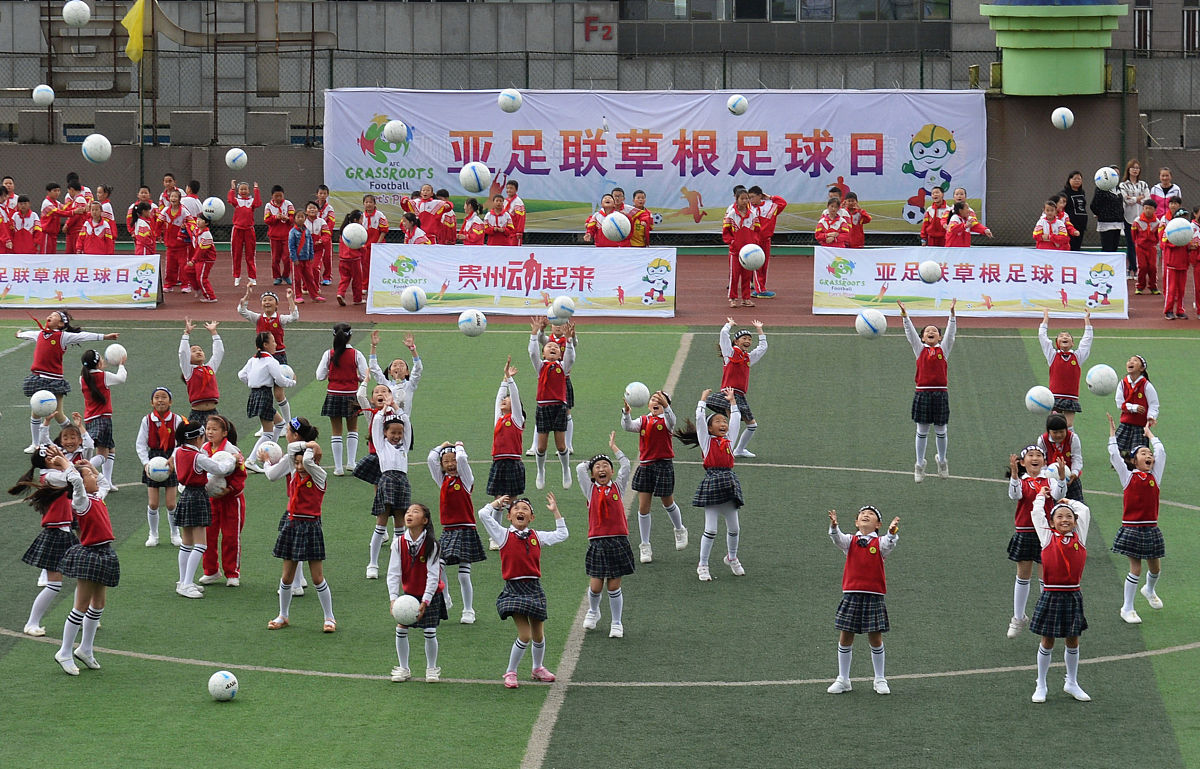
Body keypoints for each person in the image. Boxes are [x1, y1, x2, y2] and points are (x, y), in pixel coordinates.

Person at [477, 493, 569, 688]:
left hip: (534, 587)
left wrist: (555, 511)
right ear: (509, 516)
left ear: (531, 517)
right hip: (514, 589)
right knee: (525, 635)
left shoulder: (537, 536)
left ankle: (537, 668)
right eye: (516, 509)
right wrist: (496, 503)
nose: (521, 511)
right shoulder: (502, 535)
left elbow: (562, 534)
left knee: (538, 634)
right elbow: (483, 514)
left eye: (525, 509)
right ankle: (511, 672)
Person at [263, 420, 337, 632]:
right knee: (287, 577)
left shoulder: (319, 476)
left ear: (312, 462)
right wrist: (309, 445)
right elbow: (291, 450)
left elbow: (305, 459)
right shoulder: (295, 473)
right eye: (295, 464)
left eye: (302, 463)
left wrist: (309, 450)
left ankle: (329, 618)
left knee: (317, 577)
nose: (298, 467)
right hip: (293, 525)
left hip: (311, 527)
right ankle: (283, 615)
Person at [49, 451, 118, 675]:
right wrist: (65, 463)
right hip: (90, 555)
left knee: (98, 604)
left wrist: (94, 469)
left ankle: (86, 649)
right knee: (81, 605)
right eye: (89, 475)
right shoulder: (82, 501)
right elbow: (76, 481)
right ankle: (65, 651)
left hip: (105, 552)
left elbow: (103, 483)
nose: (93, 477)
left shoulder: (97, 497)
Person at [17, 309, 118, 453]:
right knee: (36, 410)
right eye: (50, 315)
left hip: (54, 380)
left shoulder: (62, 337)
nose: (50, 316)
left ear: (61, 324)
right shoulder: (40, 334)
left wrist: (104, 337)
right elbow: (28, 334)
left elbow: (82, 336)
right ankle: (35, 444)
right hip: (39, 378)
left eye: (54, 316)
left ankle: (77, 438)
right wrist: (19, 334)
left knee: (58, 414)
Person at [825, 506, 900, 695]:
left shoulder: (880, 543)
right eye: (862, 514)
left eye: (871, 514)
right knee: (845, 635)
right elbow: (837, 538)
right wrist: (834, 526)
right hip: (851, 594)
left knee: (875, 637)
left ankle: (880, 679)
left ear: (878, 525)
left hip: (874, 595)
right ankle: (843, 679)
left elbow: (889, 544)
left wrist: (892, 533)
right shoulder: (850, 541)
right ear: (856, 522)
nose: (866, 515)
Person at [1028, 490, 1092, 703]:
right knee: (1047, 640)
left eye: (1069, 516)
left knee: (1073, 640)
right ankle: (1041, 684)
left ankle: (1071, 682)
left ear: (1075, 521)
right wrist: (1040, 496)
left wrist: (1068, 501)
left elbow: (1084, 510)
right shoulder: (1047, 537)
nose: (1065, 520)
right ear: (1052, 522)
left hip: (1072, 595)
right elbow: (1036, 513)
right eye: (1059, 516)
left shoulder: (1079, 536)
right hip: (1052, 595)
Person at [677, 387, 745, 581]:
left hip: (729, 484)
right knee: (711, 529)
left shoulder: (729, 440)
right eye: (718, 421)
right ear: (709, 428)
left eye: (724, 421)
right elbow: (700, 419)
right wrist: (703, 400)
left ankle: (732, 558)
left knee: (734, 528)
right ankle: (703, 565)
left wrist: (733, 402)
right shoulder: (706, 442)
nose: (723, 424)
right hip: (713, 484)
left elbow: (736, 420)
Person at [1107, 414, 1166, 625]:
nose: (1149, 455)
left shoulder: (1154, 477)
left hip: (1151, 529)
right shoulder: (1128, 476)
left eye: (1149, 453)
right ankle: (1127, 608)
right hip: (1132, 529)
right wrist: (1112, 434)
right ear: (1134, 460)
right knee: (1136, 568)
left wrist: (1149, 434)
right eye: (1143, 453)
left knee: (1155, 568)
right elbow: (1114, 455)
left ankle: (1149, 589)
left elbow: (1161, 452)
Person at [13, 449, 79, 637]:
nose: (56, 457)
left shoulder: (53, 474)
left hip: (65, 531)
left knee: (82, 578)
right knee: (54, 585)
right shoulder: (50, 477)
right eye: (51, 456)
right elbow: (73, 477)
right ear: (46, 462)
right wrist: (65, 460)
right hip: (56, 534)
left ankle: (82, 616)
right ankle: (31, 623)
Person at [1005, 447, 1067, 639]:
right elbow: (1015, 495)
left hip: (1045, 534)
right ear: (1022, 462)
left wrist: (1062, 477)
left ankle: (1045, 616)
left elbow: (1058, 494)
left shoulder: (1049, 480)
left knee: (1045, 576)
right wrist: (1014, 475)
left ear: (1044, 462)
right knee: (1023, 575)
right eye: (1030, 456)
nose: (1035, 458)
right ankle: (1018, 617)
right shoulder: (1022, 481)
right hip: (1024, 532)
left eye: (1039, 456)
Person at [577, 434, 634, 638]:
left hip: (618, 541)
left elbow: (626, 465)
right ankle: (593, 611)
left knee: (613, 585)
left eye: (605, 466)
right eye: (597, 467)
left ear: (612, 471)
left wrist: (614, 448)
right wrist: (590, 462)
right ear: (592, 474)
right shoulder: (590, 489)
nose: (602, 469)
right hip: (597, 542)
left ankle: (617, 622)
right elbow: (579, 469)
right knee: (595, 585)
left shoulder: (618, 486)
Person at [622, 388, 687, 563]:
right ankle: (645, 545)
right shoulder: (643, 420)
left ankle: (679, 529)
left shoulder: (667, 420)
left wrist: (667, 406)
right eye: (653, 399)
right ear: (648, 404)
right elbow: (627, 426)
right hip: (645, 466)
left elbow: (672, 420)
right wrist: (626, 413)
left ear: (666, 405)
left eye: (661, 400)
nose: (656, 401)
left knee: (667, 501)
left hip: (663, 465)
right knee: (643, 506)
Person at [386, 502, 448, 682]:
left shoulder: (432, 545)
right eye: (408, 512)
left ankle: (431, 669)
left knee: (430, 631)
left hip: (430, 595)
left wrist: (425, 601)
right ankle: (403, 668)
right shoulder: (398, 543)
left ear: (425, 520)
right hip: (409, 595)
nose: (409, 515)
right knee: (401, 628)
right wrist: (393, 599)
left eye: (415, 512)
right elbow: (393, 573)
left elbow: (433, 576)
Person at [898, 299, 956, 482]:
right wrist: (905, 316)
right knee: (921, 430)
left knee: (941, 429)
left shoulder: (943, 350)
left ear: (940, 337)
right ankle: (919, 464)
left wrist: (952, 315)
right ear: (922, 338)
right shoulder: (919, 349)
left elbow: (951, 335)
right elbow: (910, 333)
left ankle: (942, 461)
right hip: (922, 393)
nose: (931, 332)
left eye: (935, 331)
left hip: (940, 394)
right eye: (927, 331)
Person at [427, 441, 483, 625]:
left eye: (453, 461)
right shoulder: (442, 480)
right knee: (437, 565)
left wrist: (459, 446)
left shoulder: (466, 480)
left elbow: (462, 459)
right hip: (448, 531)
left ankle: (468, 610)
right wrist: (441, 446)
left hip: (466, 529)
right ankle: (445, 597)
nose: (451, 464)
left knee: (464, 574)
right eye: (446, 461)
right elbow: (431, 459)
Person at [171, 420, 222, 599]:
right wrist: (233, 461)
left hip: (185, 495)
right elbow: (219, 468)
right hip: (197, 496)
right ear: (198, 438)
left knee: (186, 543)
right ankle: (186, 584)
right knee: (201, 544)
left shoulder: (178, 451)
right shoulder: (198, 457)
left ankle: (183, 581)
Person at [238, 331, 297, 473]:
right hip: (264, 395)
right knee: (268, 433)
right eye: (273, 341)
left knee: (280, 424)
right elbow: (280, 380)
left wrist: (253, 382)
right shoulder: (271, 361)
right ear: (265, 345)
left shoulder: (252, 360)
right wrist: (293, 382)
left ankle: (271, 451)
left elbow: (241, 375)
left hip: (255, 395)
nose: (275, 344)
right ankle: (251, 460)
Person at [197, 416, 246, 587]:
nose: (210, 432)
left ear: (224, 433)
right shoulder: (203, 449)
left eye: (214, 429)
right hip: (211, 500)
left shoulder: (232, 452)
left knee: (231, 537)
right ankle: (210, 571)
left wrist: (230, 489)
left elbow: (241, 476)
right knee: (208, 536)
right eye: (208, 429)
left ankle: (232, 573)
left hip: (231, 501)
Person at [708, 318, 767, 459]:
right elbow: (723, 335)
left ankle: (739, 450)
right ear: (736, 341)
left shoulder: (747, 357)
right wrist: (729, 324)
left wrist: (759, 330)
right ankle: (724, 449)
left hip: (740, 395)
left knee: (752, 426)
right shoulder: (729, 353)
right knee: (734, 421)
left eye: (749, 339)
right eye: (744, 338)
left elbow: (762, 348)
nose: (748, 341)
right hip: (729, 393)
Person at [368, 397, 413, 581]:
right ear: (385, 433)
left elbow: (407, 424)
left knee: (400, 525)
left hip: (402, 482)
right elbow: (376, 424)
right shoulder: (381, 445)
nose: (396, 436)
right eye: (392, 432)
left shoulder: (405, 446)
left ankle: (399, 565)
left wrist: (396, 407)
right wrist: (385, 407)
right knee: (381, 524)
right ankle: (373, 564)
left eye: (399, 433)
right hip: (386, 481)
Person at [528, 316, 575, 491]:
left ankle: (565, 469)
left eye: (555, 347)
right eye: (549, 347)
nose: (553, 347)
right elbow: (533, 353)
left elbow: (571, 358)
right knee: (541, 446)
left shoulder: (563, 367)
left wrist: (568, 341)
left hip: (559, 407)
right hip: (543, 407)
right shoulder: (540, 367)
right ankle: (540, 471)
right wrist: (534, 335)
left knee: (561, 445)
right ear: (544, 353)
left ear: (560, 353)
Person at [315, 322, 367, 476]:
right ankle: (351, 463)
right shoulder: (357, 354)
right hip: (351, 394)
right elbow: (365, 375)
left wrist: (332, 374)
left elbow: (319, 376)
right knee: (353, 428)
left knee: (336, 431)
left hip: (333, 394)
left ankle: (338, 468)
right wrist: (355, 377)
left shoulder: (328, 354)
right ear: (350, 336)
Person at [135, 386, 184, 547]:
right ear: (152, 402)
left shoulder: (176, 420)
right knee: (153, 503)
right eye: (157, 397)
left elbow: (180, 443)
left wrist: (173, 458)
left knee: (171, 503)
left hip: (171, 460)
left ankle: (175, 533)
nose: (160, 400)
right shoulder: (147, 420)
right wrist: (146, 463)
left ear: (170, 401)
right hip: (153, 460)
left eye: (164, 397)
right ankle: (153, 534)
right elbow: (140, 444)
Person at [79, 347, 127, 490]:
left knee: (110, 449)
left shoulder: (82, 378)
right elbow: (121, 378)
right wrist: (121, 365)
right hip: (103, 419)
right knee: (103, 454)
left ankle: (107, 482)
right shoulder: (103, 376)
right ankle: (82, 468)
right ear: (98, 363)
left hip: (90, 419)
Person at [1037, 308, 1092, 427]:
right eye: (1061, 336)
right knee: (1054, 424)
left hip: (1071, 397)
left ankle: (1071, 440)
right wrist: (1046, 319)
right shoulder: (1052, 356)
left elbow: (1087, 341)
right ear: (1057, 343)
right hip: (1054, 397)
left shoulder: (1077, 357)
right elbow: (1042, 337)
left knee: (1068, 426)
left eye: (1068, 336)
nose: (1065, 337)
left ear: (1072, 343)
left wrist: (1087, 321)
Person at [179, 318, 224, 427]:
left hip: (213, 412)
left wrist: (214, 333)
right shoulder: (189, 371)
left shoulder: (210, 368)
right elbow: (182, 353)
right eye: (193, 351)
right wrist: (186, 334)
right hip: (197, 413)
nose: (198, 352)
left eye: (200, 350)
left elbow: (219, 352)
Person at [1113, 354, 1158, 460]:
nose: (1131, 362)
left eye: (1135, 361)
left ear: (1142, 368)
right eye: (1129, 360)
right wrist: (1134, 408)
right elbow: (1120, 404)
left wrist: (1151, 417)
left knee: (1139, 452)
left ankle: (1135, 465)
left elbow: (1154, 404)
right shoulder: (1123, 384)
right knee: (1116, 448)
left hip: (1140, 426)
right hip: (1125, 424)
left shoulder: (1146, 385)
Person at [748, 186, 785, 297]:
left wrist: (770, 197)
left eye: (753, 197)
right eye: (749, 197)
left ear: (760, 196)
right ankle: (760, 290)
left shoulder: (770, 206)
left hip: (766, 240)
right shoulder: (749, 208)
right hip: (754, 240)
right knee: (756, 264)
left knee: (764, 265)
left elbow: (783, 203)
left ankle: (761, 288)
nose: (751, 200)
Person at [1038, 413, 1084, 502]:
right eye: (1055, 432)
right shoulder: (1043, 440)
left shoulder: (1073, 438)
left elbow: (1077, 458)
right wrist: (1046, 476)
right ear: (1049, 431)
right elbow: (1042, 461)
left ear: (1066, 429)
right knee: (1053, 508)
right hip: (1051, 480)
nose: (1059, 435)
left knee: (1077, 506)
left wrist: (1074, 473)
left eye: (1062, 431)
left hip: (1071, 479)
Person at [1160, 208, 1195, 319]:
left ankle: (1180, 310)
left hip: (1183, 263)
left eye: (1185, 217)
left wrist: (1190, 247)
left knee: (1181, 289)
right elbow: (1164, 244)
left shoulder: (1188, 230)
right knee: (1171, 289)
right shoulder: (1169, 229)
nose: (1184, 219)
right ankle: (1168, 310)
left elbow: (1189, 244)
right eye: (1182, 217)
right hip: (1172, 263)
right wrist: (1177, 242)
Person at [1119, 160, 1150, 280]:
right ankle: (1134, 269)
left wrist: (1134, 199)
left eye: (1137, 168)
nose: (1135, 170)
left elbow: (1147, 200)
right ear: (1128, 170)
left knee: (1140, 244)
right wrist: (1138, 198)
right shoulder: (1123, 185)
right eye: (1133, 168)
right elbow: (1126, 200)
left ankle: (1133, 268)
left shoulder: (1143, 184)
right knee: (1131, 244)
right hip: (1128, 219)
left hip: (1141, 219)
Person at [227, 180, 261, 287]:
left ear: (249, 190)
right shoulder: (237, 201)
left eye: (245, 189)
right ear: (238, 191)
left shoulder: (252, 201)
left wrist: (256, 189)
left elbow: (258, 202)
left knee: (250, 255)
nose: (243, 191)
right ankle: (237, 276)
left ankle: (252, 277)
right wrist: (232, 188)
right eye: (241, 189)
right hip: (237, 230)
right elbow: (230, 199)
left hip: (249, 230)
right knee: (236, 254)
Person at [157, 189, 189, 292]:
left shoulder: (183, 211)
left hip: (181, 245)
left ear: (179, 199)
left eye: (175, 197)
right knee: (170, 266)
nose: (173, 198)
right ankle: (169, 284)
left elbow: (191, 222)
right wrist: (158, 235)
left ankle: (185, 285)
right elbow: (158, 223)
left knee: (183, 265)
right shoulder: (165, 210)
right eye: (171, 196)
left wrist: (186, 227)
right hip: (170, 245)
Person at [289, 209, 324, 303]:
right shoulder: (293, 232)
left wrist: (311, 256)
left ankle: (314, 295)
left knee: (309, 277)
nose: (300, 219)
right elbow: (291, 246)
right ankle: (297, 296)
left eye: (302, 217)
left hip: (306, 259)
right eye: (298, 217)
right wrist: (294, 258)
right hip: (297, 259)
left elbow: (311, 244)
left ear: (305, 218)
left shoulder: (307, 231)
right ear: (294, 219)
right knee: (297, 278)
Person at [264, 185, 295, 285]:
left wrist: (287, 219)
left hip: (287, 236)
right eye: (276, 196)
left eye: (280, 196)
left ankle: (286, 275)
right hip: (274, 236)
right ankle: (277, 276)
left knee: (287, 258)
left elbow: (293, 218)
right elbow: (267, 220)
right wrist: (275, 217)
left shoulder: (288, 204)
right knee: (275, 259)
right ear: (272, 196)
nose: (278, 198)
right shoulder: (268, 206)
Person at [336, 209, 367, 306]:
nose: (362, 221)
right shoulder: (357, 231)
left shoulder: (344, 230)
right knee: (357, 279)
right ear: (355, 220)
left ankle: (340, 293)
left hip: (342, 259)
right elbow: (360, 246)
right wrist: (364, 250)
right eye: (361, 219)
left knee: (344, 278)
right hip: (354, 259)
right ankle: (357, 299)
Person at [1131, 199, 1162, 295]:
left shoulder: (1157, 222)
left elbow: (1158, 235)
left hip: (1152, 247)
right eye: (1146, 208)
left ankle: (1153, 286)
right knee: (1142, 267)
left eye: (1150, 208)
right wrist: (1137, 243)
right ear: (1143, 209)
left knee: (1153, 267)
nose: (1148, 210)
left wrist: (1155, 244)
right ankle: (1140, 286)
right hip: (1140, 247)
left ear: (1155, 210)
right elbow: (1133, 234)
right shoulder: (1137, 221)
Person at [1091, 169, 1125, 254]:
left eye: (1117, 174)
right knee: (1107, 249)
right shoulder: (1101, 187)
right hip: (1106, 224)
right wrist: (1101, 214)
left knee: (1114, 248)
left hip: (1117, 223)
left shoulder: (1118, 189)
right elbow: (1094, 205)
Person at [190, 215, 218, 303]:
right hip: (200, 259)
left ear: (206, 223)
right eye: (197, 219)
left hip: (206, 259)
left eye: (200, 220)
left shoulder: (206, 235)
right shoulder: (198, 230)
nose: (198, 221)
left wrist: (193, 260)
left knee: (202, 278)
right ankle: (198, 288)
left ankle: (211, 296)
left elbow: (201, 250)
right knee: (188, 270)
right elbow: (190, 226)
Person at [315, 184, 336, 284]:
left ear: (327, 195)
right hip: (314, 236)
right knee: (314, 258)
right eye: (320, 193)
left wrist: (326, 234)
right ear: (317, 194)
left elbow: (331, 223)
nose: (322, 195)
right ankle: (315, 277)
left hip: (326, 236)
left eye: (324, 193)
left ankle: (327, 277)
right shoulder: (312, 207)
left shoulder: (330, 209)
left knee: (327, 258)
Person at [39, 182, 64, 254]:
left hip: (53, 234)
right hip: (46, 233)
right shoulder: (47, 203)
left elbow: (66, 208)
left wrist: (78, 208)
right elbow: (60, 212)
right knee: (45, 254)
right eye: (55, 191)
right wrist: (73, 212)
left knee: (52, 255)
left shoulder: (57, 203)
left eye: (58, 191)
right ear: (48, 192)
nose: (57, 193)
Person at [503, 179, 527, 245]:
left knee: (515, 250)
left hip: (514, 233)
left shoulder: (518, 202)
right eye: (507, 188)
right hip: (506, 232)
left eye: (511, 188)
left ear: (516, 190)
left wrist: (519, 231)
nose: (509, 190)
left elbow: (521, 218)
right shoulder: (505, 201)